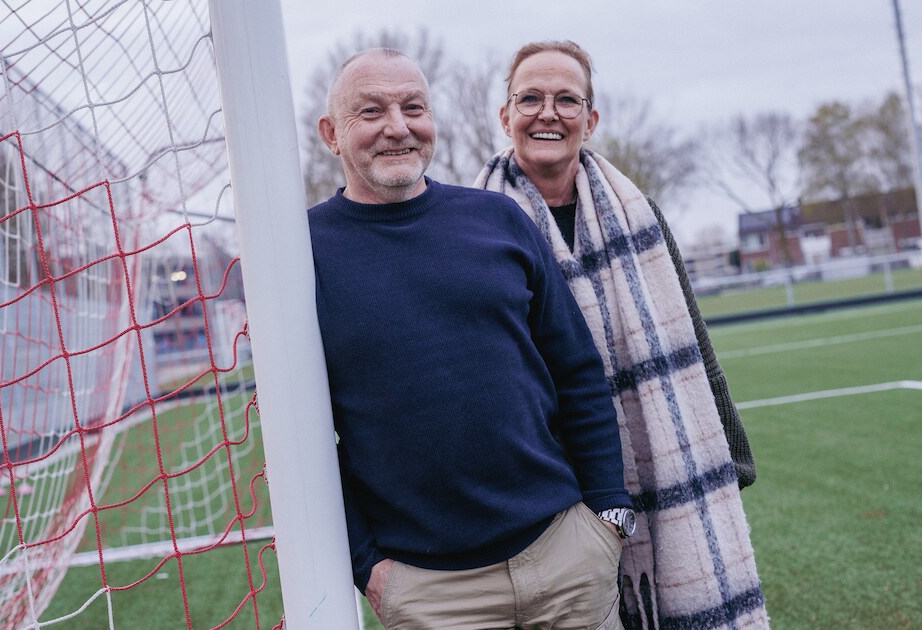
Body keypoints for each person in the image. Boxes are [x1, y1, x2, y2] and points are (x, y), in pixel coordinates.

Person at [308, 47, 635, 629]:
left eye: (414, 107)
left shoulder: (499, 220)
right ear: (332, 134)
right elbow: (304, 436)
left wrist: (607, 513)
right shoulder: (302, 252)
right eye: (371, 111)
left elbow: (578, 372)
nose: (398, 127)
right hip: (431, 591)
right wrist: (369, 569)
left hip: (565, 554)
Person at [474, 40, 768, 628]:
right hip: (550, 486)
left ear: (591, 119)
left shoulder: (640, 214)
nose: (548, 113)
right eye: (530, 98)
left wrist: (730, 455)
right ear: (506, 116)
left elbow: (691, 341)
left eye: (567, 99)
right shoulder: (473, 226)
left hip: (664, 466)